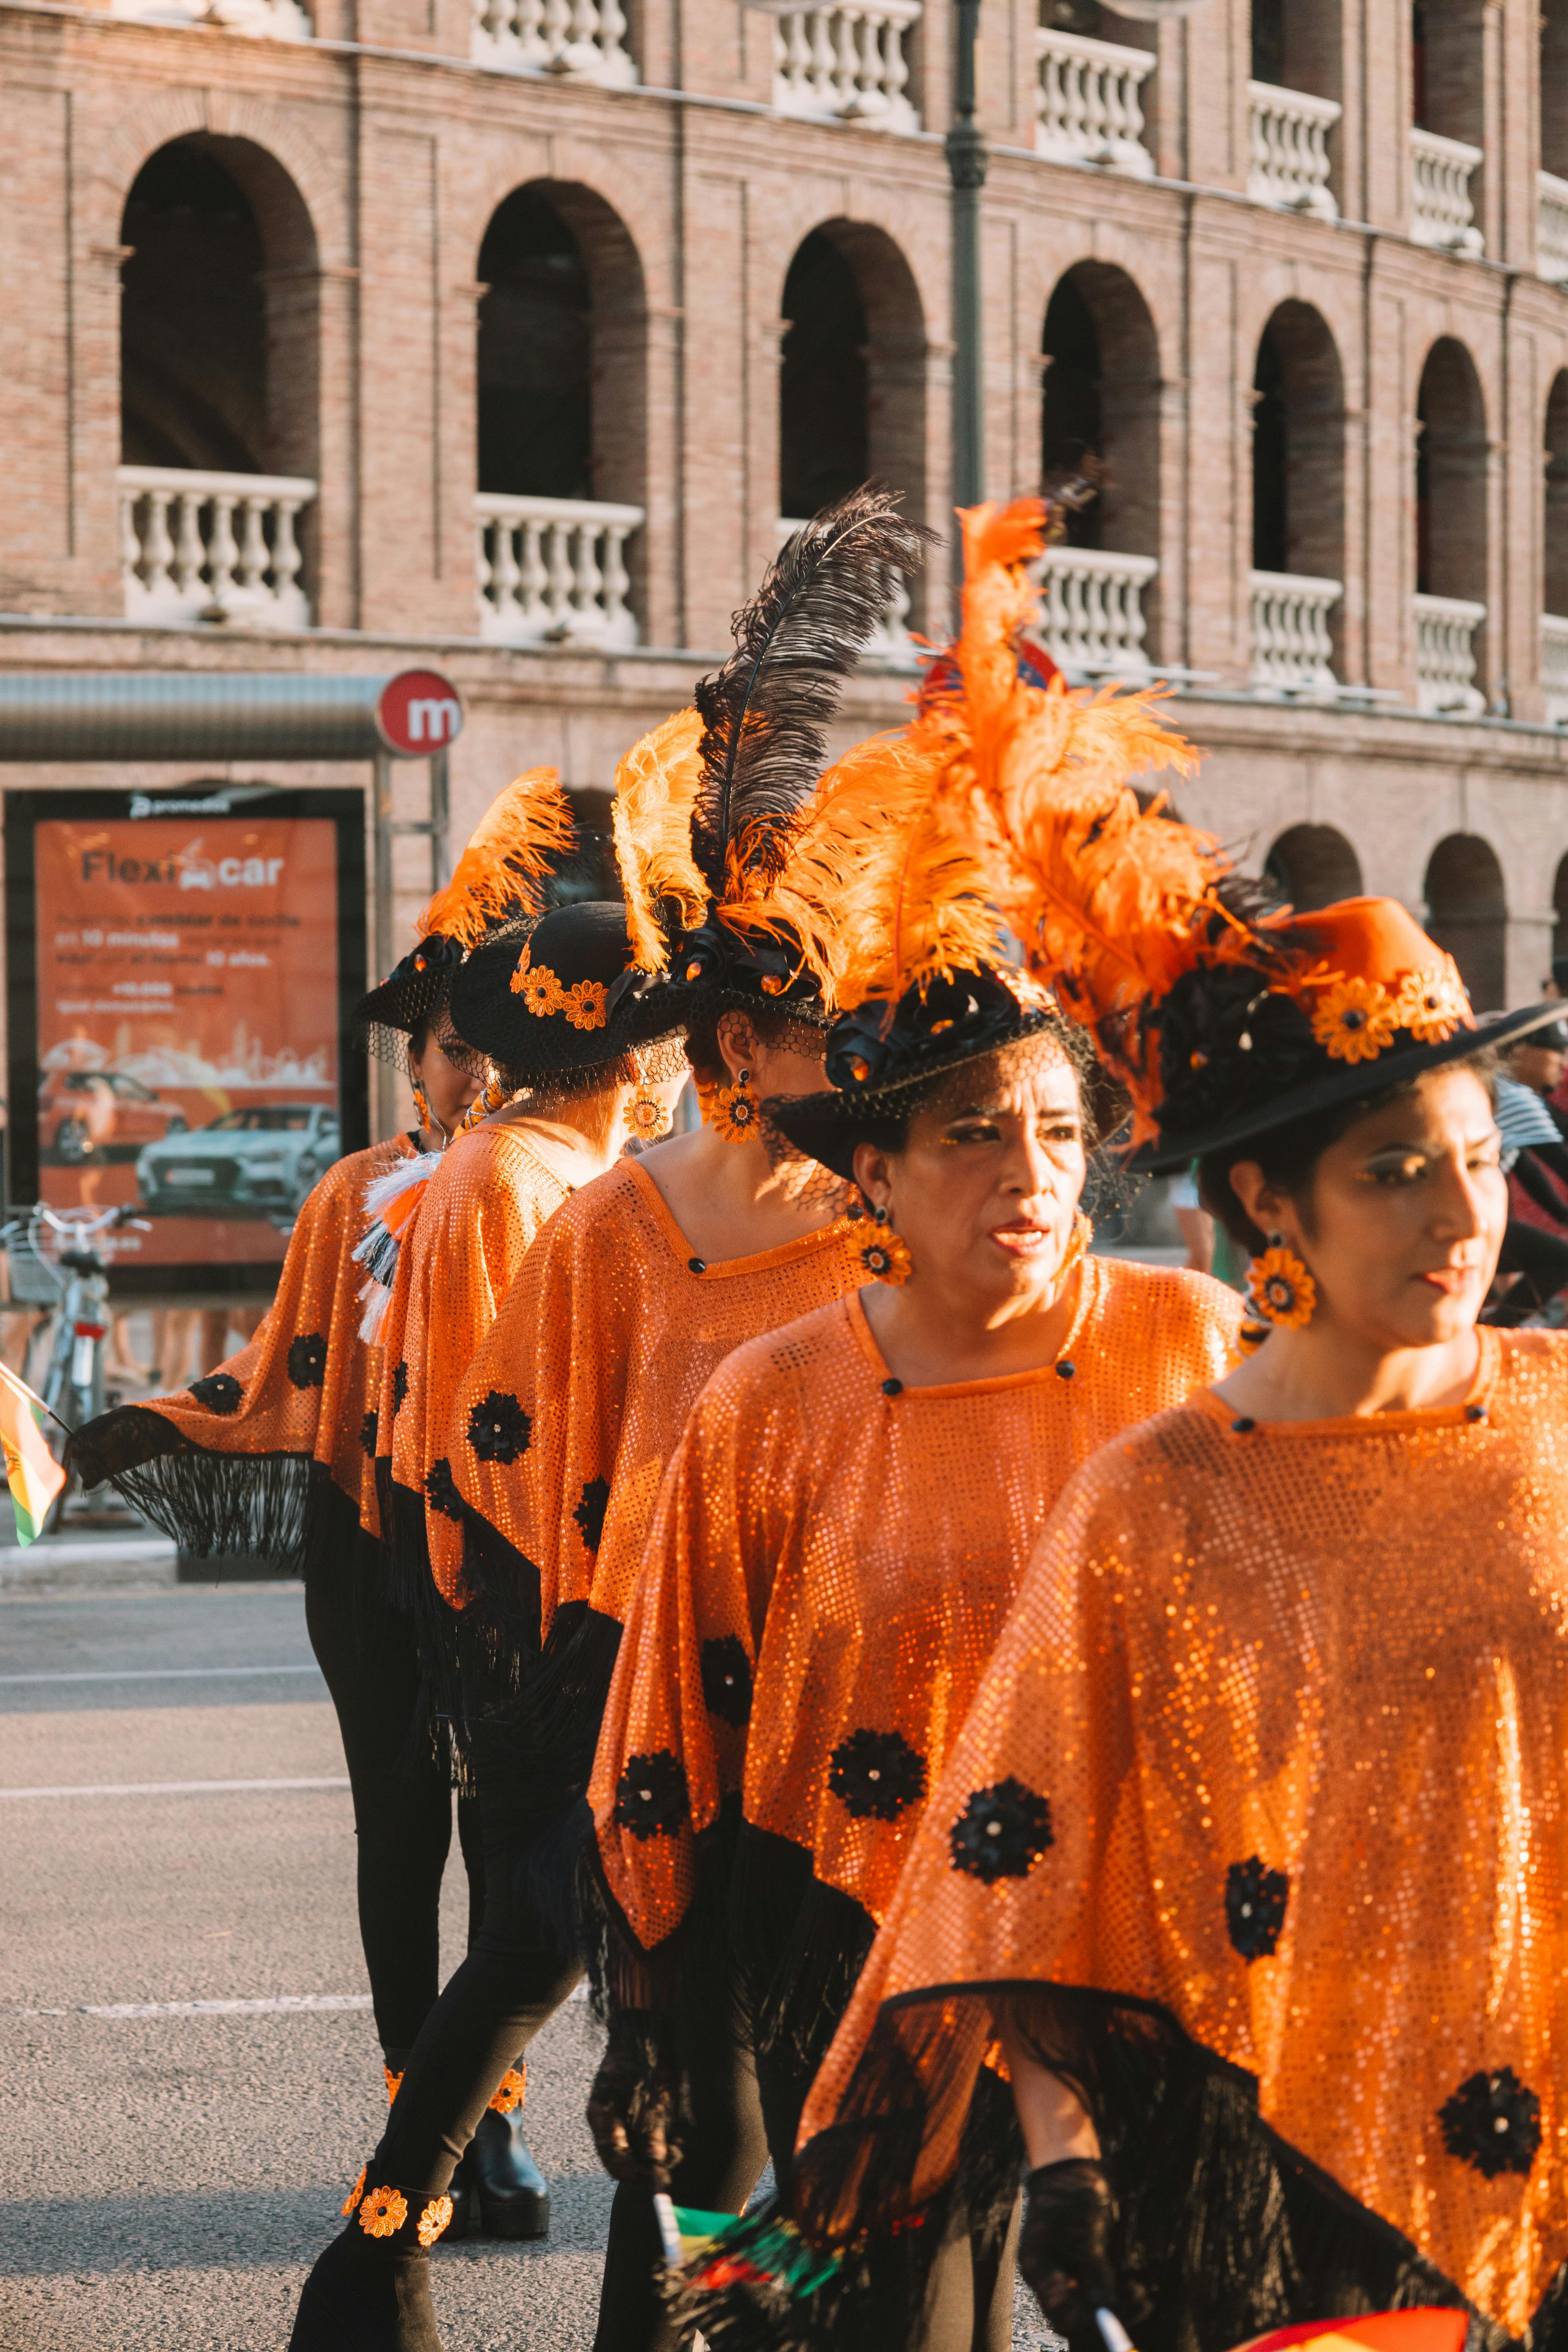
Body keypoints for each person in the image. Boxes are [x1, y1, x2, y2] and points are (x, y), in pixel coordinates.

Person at [713, 691, 1568, 2350]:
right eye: (1393, 1169)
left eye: (1473, 1155)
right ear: (1269, 1199)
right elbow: (1036, 1839)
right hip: (1254, 2136)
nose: (1461, 1212)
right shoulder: (1161, 1494)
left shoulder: (1556, 1408)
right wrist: (1062, 2158)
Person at [587, 505, 1243, 2352]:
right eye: (970, 1134)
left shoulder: (1188, 1343)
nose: (1025, 1175)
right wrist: (681, 2052)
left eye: (1048, 1130)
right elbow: (669, 1746)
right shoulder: (777, 1398)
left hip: (1139, 1949)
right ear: (870, 1166)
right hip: (850, 1962)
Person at [423, 490, 930, 2352]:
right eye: (816, 1027)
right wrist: (555, 1696)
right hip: (656, 1738)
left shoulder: (900, 1222)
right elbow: (491, 1472)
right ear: (731, 1049)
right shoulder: (604, 1228)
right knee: (694, 2163)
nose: (853, 1060)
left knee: (835, 2161)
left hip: (851, 1747)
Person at [63, 775, 582, 2239]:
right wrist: (115, 1438)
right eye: (445, 1058)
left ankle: (489, 2129)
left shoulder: (560, 1189)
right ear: (412, 1069)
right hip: (371, 1551)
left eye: (491, 1057)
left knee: (511, 1842)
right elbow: (277, 1368)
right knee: (399, 1830)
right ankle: (414, 2116)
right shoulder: (354, 1194)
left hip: (508, 1544)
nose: (467, 1081)